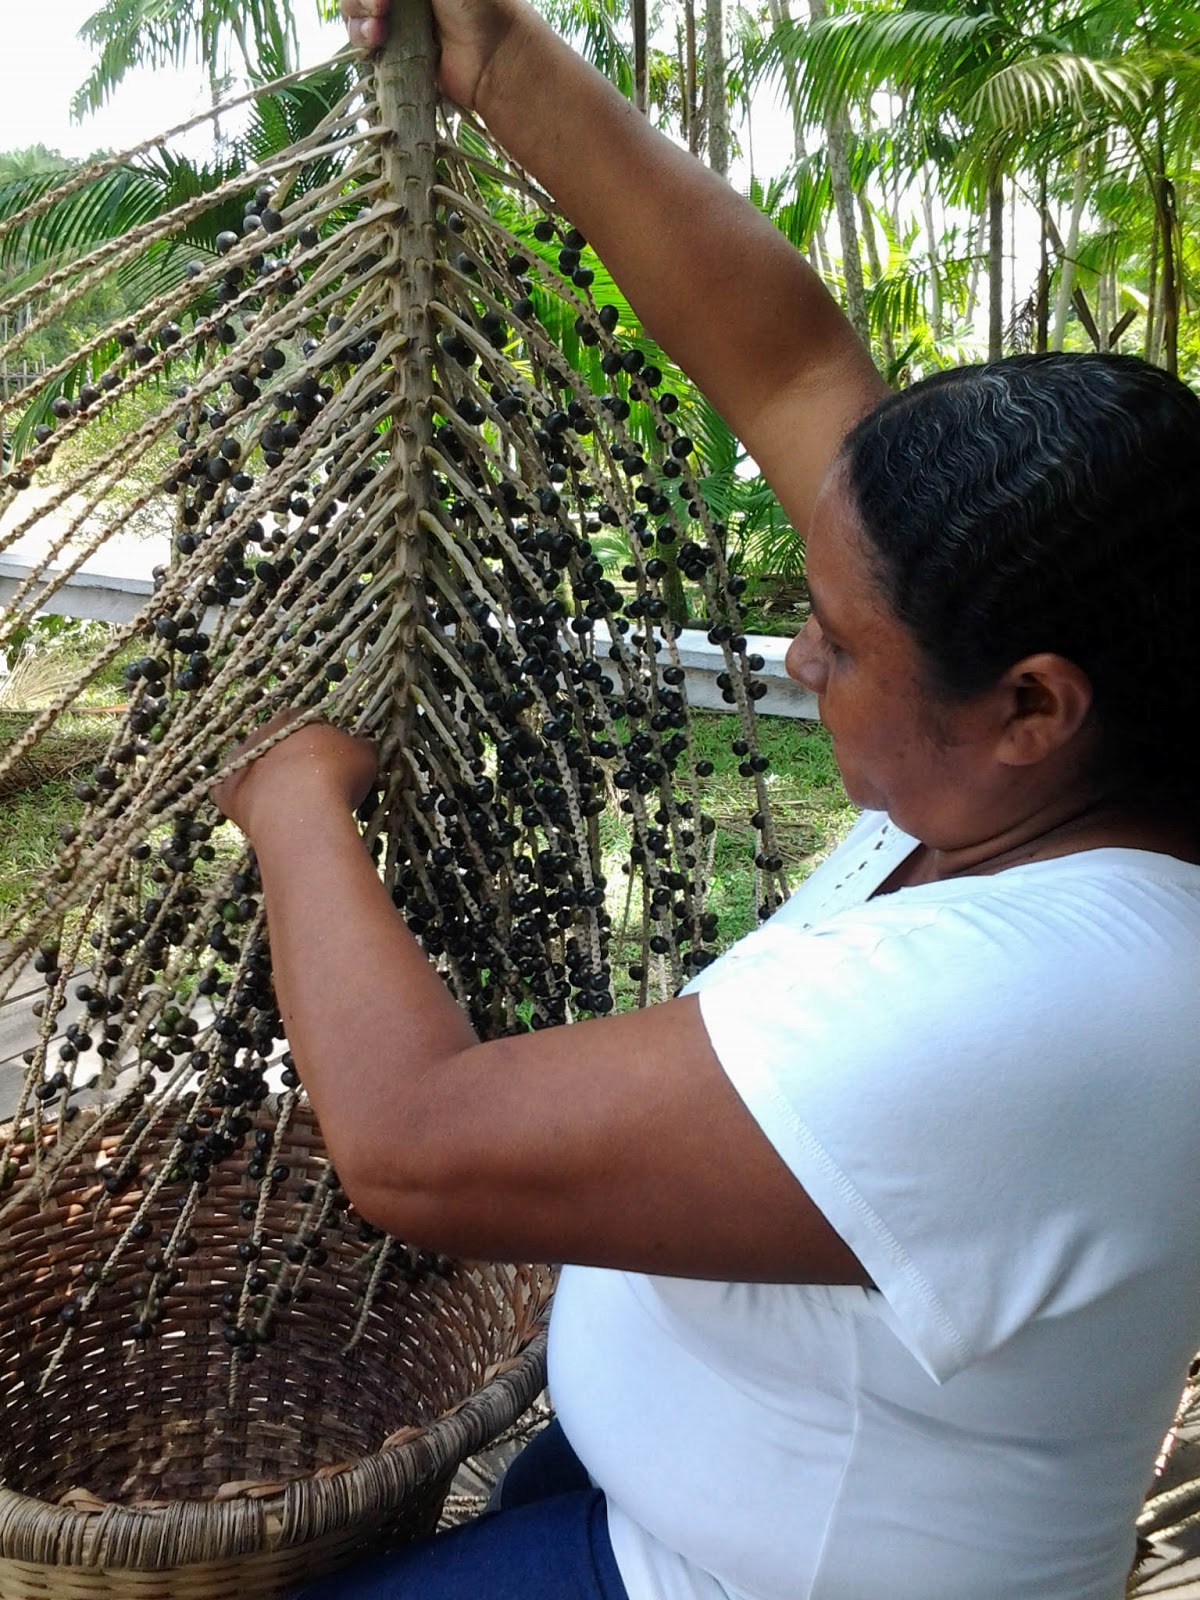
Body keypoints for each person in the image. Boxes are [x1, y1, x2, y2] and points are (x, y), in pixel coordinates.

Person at [211, 0, 1200, 1595]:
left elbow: (411, 1144)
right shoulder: (1048, 762)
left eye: (840, 640)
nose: (803, 656)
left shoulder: (1060, 1006)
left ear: (1032, 703)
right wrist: (498, 55)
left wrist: (291, 800)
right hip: (650, 1494)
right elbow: (791, 362)